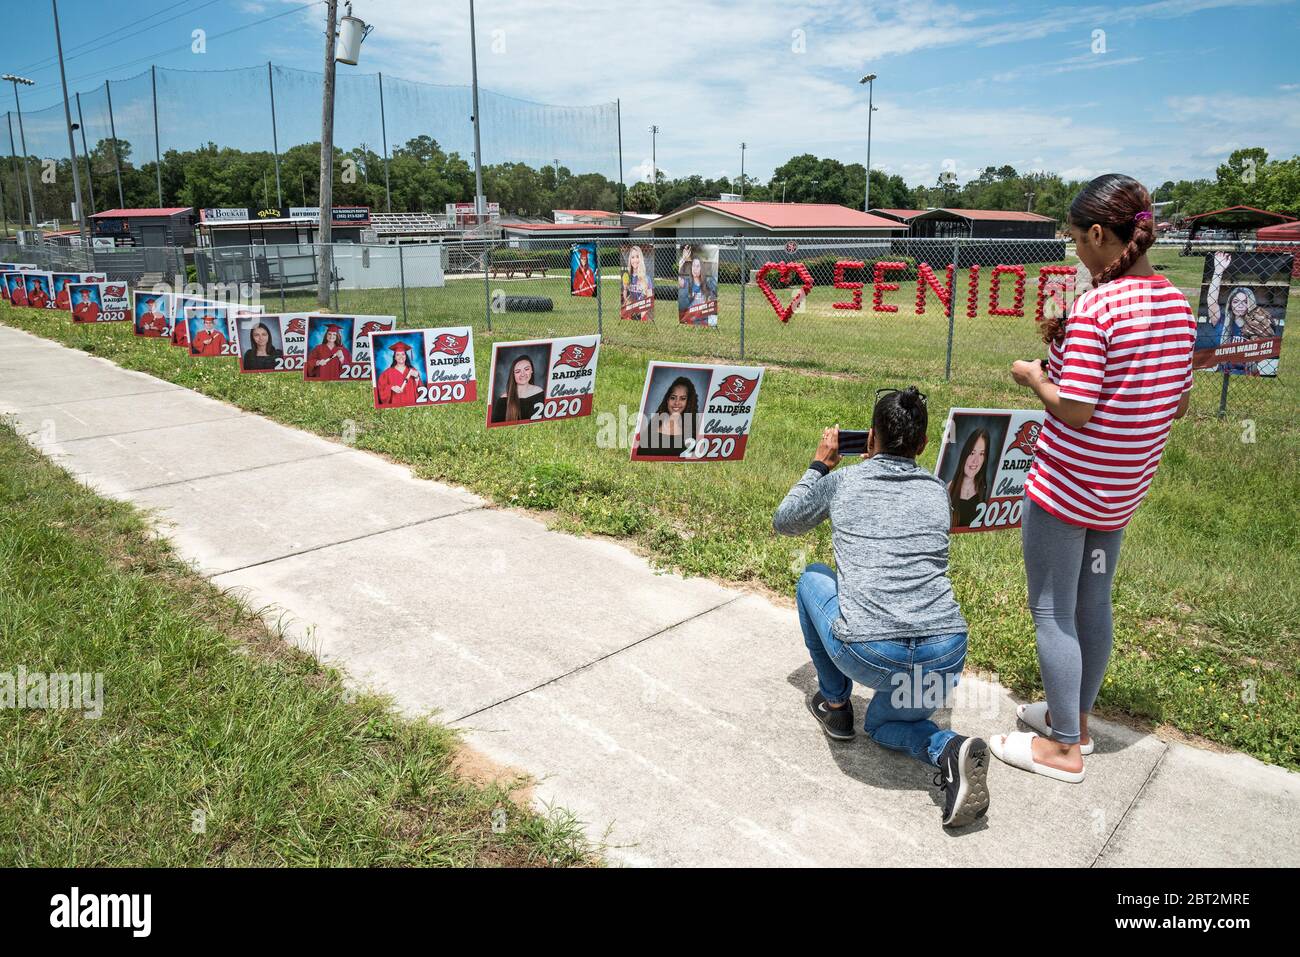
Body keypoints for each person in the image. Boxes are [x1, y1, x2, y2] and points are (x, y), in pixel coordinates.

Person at [996, 173, 1195, 784]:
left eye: (1078, 238)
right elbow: (1179, 403)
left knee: (1051, 610)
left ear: (1103, 234)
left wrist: (1032, 377)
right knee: (1093, 603)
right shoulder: (1175, 303)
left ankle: (1061, 749)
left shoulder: (1097, 307)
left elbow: (1075, 407)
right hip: (1122, 490)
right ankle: (1074, 719)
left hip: (1066, 488)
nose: (1075, 250)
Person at [773, 387, 988, 829]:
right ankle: (946, 748)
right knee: (885, 728)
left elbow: (785, 519)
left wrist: (820, 464)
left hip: (873, 654)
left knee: (812, 575)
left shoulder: (844, 480)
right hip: (945, 653)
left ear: (870, 439)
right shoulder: (936, 491)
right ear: (924, 446)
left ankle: (835, 706)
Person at [642, 375, 698, 456]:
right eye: (673, 398)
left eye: (682, 398)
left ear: (688, 402)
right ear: (667, 400)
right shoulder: (655, 421)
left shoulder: (694, 429)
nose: (677, 403)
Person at [946, 428, 991, 528]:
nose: (976, 461)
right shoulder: (947, 490)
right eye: (972, 453)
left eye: (981, 454)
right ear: (964, 454)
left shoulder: (985, 490)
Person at [491, 354, 544, 421]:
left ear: (532, 370)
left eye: (526, 369)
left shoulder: (539, 392)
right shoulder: (503, 400)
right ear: (513, 375)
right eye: (518, 371)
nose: (522, 374)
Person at [376, 341, 422, 406]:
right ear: (394, 357)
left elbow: (420, 389)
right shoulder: (386, 373)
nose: (401, 357)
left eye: (403, 354)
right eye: (398, 354)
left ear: (406, 356)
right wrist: (391, 387)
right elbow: (381, 389)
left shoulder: (412, 370)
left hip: (411, 402)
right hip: (395, 404)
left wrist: (417, 377)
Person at [621, 245, 652, 319]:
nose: (635, 260)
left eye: (637, 257)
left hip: (642, 312)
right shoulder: (628, 276)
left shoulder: (646, 278)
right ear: (630, 260)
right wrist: (625, 289)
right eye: (632, 257)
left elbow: (650, 300)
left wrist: (641, 314)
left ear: (640, 259)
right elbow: (627, 298)